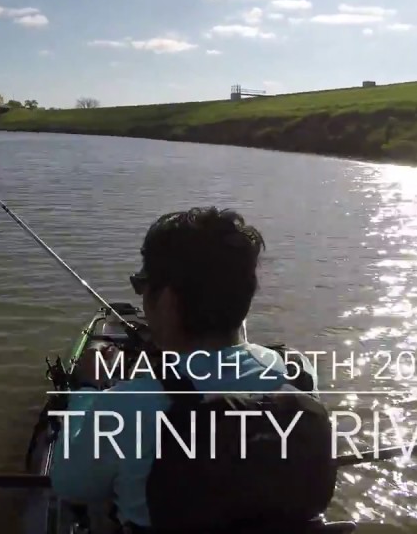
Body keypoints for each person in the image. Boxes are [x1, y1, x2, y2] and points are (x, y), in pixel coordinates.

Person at [48, 207, 339, 533]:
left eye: (142, 285)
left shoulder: (125, 405)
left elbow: (69, 484)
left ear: (169, 300)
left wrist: (87, 390)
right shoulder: (298, 375)